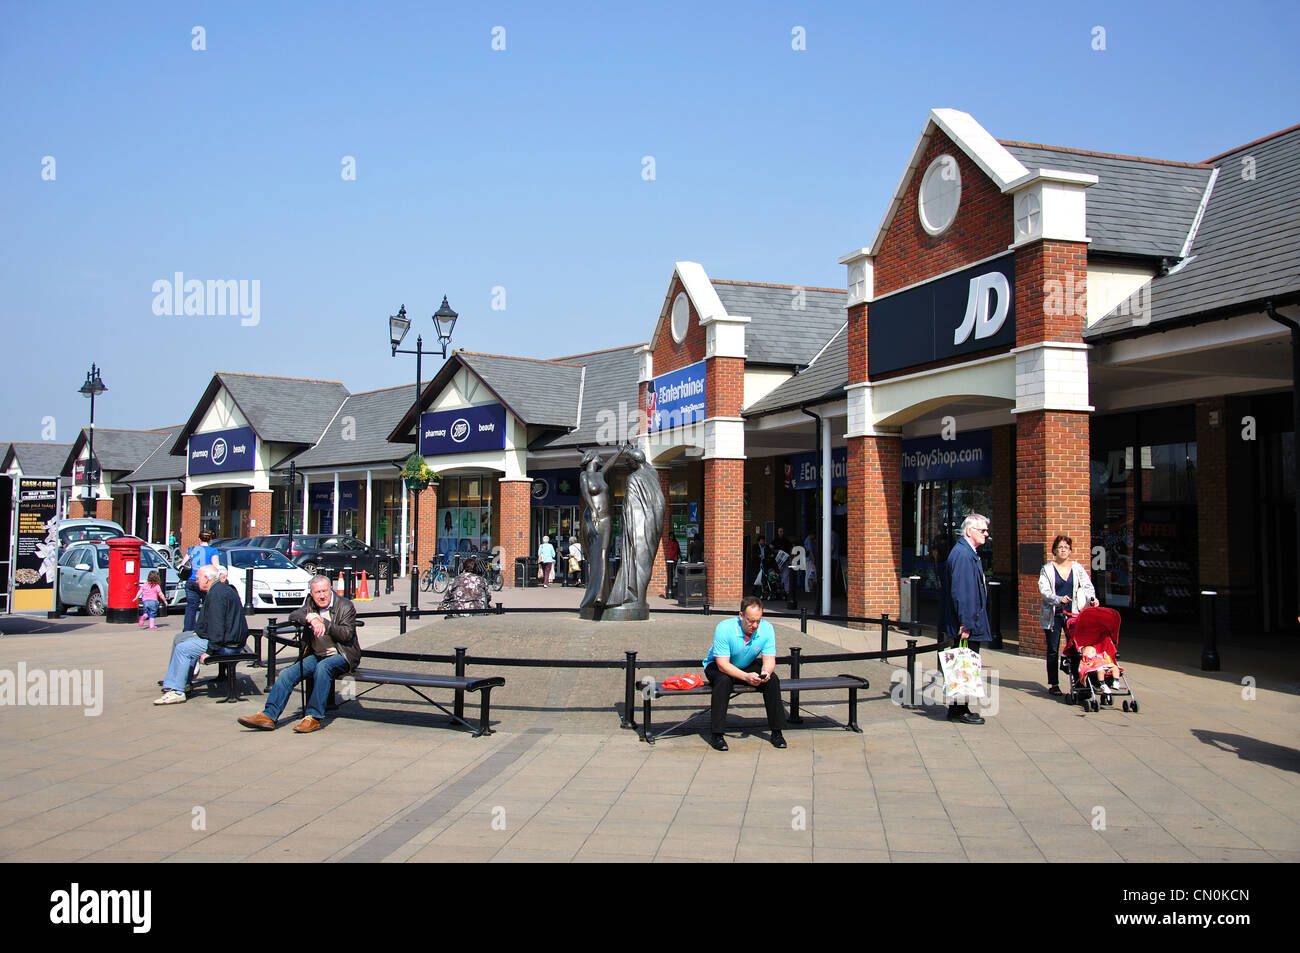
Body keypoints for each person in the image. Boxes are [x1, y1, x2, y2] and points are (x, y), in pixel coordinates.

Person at [237, 575, 360, 733]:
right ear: (311, 594)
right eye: (317, 592)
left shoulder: (345, 606)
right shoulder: (310, 604)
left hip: (342, 655)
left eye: (325, 591)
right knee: (287, 673)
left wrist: (325, 623)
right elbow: (294, 615)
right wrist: (310, 618)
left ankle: (313, 717)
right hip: (317, 654)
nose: (322, 596)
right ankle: (268, 715)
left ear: (331, 590)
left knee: (323, 667)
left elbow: (347, 635)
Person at [701, 595, 787, 751]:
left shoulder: (767, 629)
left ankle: (777, 732)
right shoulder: (724, 628)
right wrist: (746, 677)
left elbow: (769, 659)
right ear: (741, 616)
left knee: (772, 680)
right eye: (750, 621)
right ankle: (717, 734)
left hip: (745, 664)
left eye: (758, 621)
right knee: (724, 681)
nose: (754, 625)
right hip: (718, 664)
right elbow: (722, 665)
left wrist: (765, 672)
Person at [154, 565, 248, 705]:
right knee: (179, 638)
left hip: (227, 644)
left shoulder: (217, 594)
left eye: (197, 578)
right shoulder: (218, 590)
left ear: (206, 578)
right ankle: (181, 682)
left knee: (183, 648)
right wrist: (198, 633)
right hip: (225, 639)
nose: (196, 581)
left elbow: (218, 626)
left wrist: (210, 651)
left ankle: (177, 691)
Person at [939, 513, 992, 725]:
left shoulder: (967, 553)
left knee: (966, 665)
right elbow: (962, 593)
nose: (986, 534)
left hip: (969, 621)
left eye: (987, 530)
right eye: (983, 530)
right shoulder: (962, 555)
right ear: (969, 531)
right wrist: (966, 622)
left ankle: (959, 708)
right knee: (964, 665)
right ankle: (959, 710)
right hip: (966, 624)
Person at [1038, 534, 1099, 696]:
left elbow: (1087, 587)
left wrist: (1092, 599)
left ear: (1070, 550)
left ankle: (1080, 682)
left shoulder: (1077, 568)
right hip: (1053, 615)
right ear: (1054, 551)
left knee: (1076, 648)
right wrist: (1058, 599)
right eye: (1060, 548)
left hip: (1073, 614)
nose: (1063, 550)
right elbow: (1044, 591)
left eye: (1066, 547)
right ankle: (1054, 684)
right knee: (1052, 649)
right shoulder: (1047, 569)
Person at [182, 530, 221, 633]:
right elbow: (216, 566)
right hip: (205, 581)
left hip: (191, 580)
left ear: (199, 539)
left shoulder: (191, 550)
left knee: (191, 606)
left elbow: (183, 564)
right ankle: (204, 629)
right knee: (207, 606)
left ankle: (187, 630)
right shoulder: (213, 551)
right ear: (210, 540)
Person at [663, 534, 681, 598]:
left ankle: (672, 584)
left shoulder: (675, 543)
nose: (671, 537)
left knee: (673, 572)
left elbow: (677, 550)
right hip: (671, 559)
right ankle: (671, 585)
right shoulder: (669, 542)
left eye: (672, 536)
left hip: (673, 559)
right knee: (671, 572)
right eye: (670, 536)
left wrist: (680, 556)